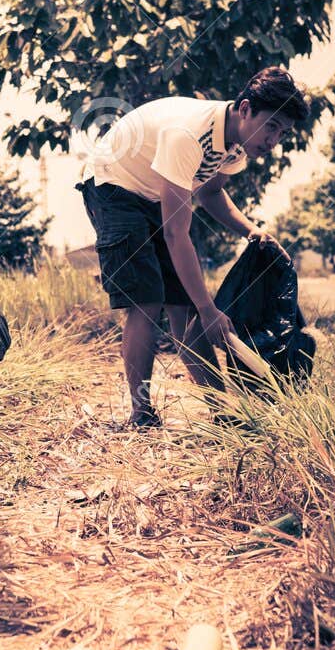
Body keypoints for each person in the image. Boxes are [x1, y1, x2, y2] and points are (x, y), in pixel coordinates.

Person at [76, 68, 311, 427]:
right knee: (148, 300)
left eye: (283, 133)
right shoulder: (189, 135)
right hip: (113, 183)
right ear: (246, 109)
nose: (274, 140)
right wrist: (209, 308)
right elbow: (176, 235)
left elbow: (211, 192)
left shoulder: (233, 147)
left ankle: (224, 413)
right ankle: (141, 413)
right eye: (272, 126)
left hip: (152, 191)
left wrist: (253, 232)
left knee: (184, 309)